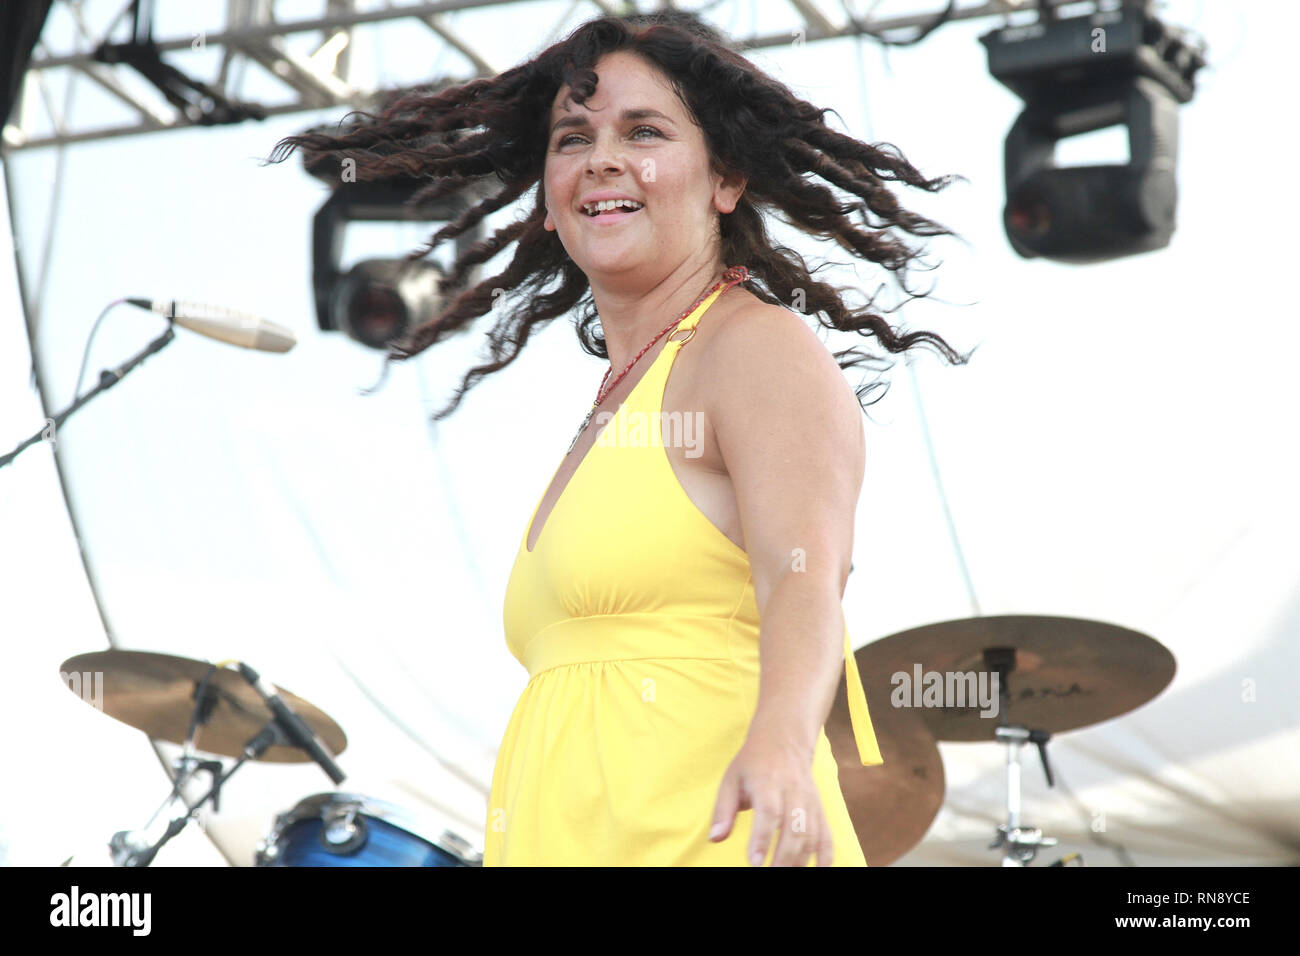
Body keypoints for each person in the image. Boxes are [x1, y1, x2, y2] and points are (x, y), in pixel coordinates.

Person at [266, 11, 970, 866]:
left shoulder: (753, 348)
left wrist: (783, 748)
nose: (601, 157)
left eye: (644, 131)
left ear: (726, 178)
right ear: (551, 201)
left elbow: (806, 581)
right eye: (572, 138)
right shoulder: (619, 400)